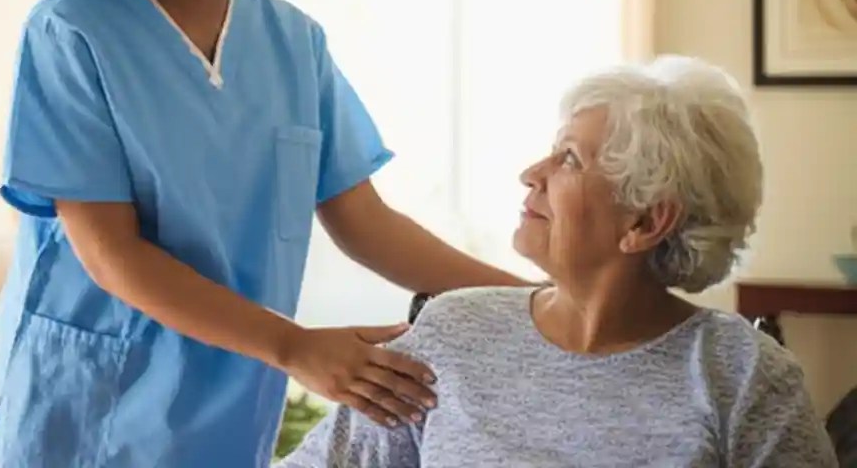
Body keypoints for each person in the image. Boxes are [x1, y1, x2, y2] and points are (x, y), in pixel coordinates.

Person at [0, 0, 528, 466]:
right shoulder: (73, 35)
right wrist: (293, 346)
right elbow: (110, 255)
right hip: (87, 407)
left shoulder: (293, 43)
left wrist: (540, 303)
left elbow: (366, 223)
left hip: (228, 403)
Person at [279, 56, 841, 467]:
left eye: (569, 158)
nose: (532, 172)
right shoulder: (453, 334)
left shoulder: (744, 377)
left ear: (646, 222)